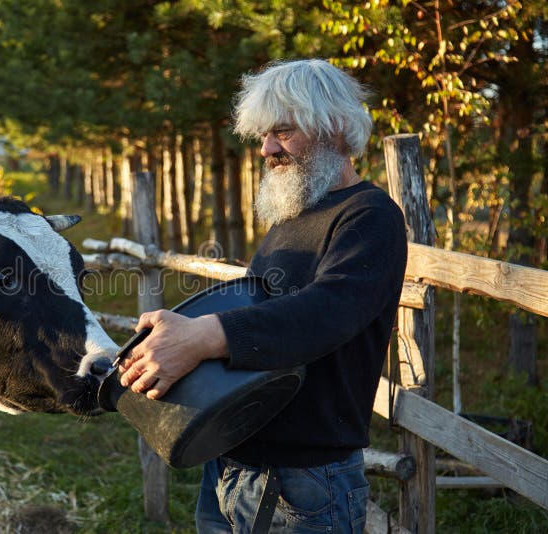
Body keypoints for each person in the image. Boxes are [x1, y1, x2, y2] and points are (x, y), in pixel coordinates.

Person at [118, 59, 408, 533]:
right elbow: (259, 312)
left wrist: (204, 336)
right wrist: (182, 329)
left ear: (334, 126)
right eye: (262, 136)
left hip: (306, 480)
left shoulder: (370, 216)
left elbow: (327, 311)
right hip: (232, 464)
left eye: (283, 131)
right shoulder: (290, 219)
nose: (267, 149)